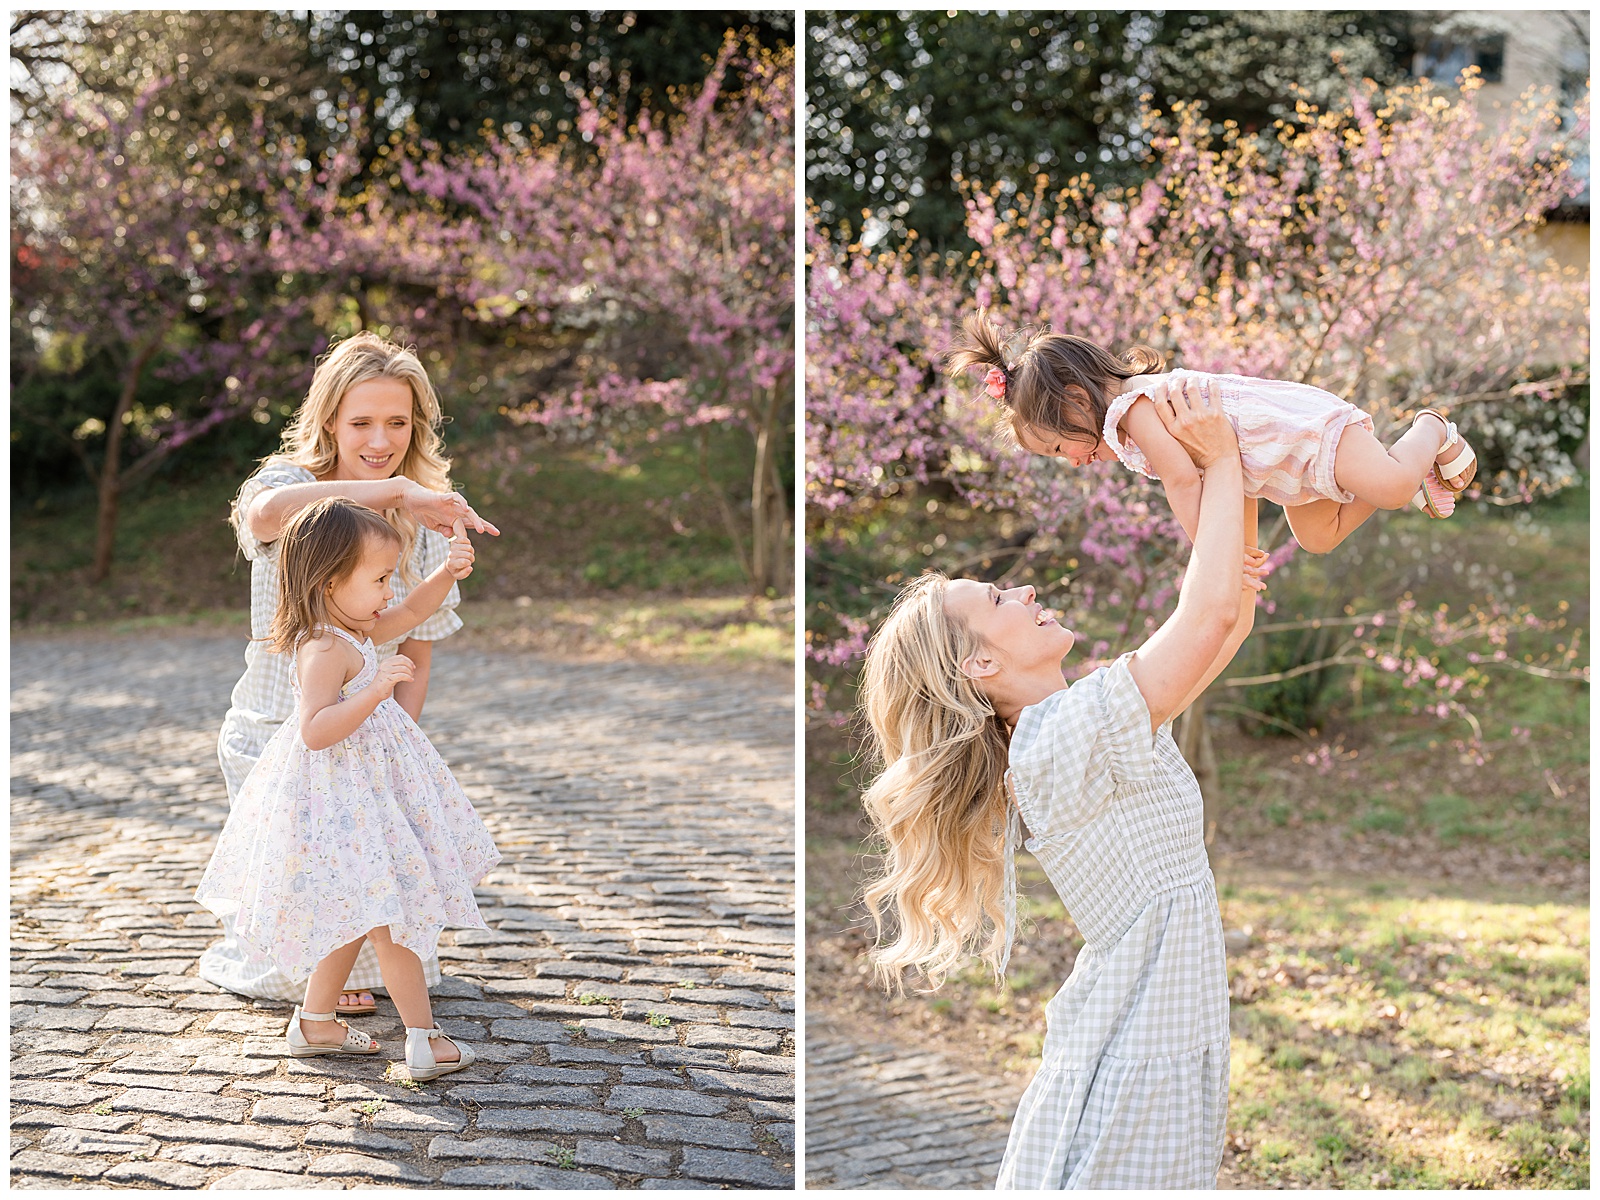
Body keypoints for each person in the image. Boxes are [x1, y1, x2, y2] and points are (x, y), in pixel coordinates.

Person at [857, 381, 1253, 1188]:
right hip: (1139, 1050)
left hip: (1164, 1032)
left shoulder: (1079, 722)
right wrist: (1221, 461)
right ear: (981, 665)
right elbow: (1208, 614)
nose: (1026, 590)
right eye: (999, 597)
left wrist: (1226, 478)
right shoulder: (1053, 742)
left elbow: (1229, 614)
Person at [202, 332, 499, 1015]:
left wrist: (386, 756)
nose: (380, 438)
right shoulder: (287, 483)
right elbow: (264, 518)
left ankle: (348, 990)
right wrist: (389, 487)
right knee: (297, 946)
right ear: (329, 418)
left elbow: (415, 651)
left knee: (392, 928)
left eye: (397, 422)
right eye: (361, 421)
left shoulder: (422, 519)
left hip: (364, 739)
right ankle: (310, 999)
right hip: (276, 732)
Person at [195, 497, 500, 1080]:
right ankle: (422, 1039)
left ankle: (314, 1022)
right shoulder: (322, 647)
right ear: (330, 580)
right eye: (380, 577)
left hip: (367, 796)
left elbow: (411, 613)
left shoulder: (353, 629)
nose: (389, 589)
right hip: (344, 807)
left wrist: (447, 572)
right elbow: (314, 730)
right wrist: (377, 688)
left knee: (359, 912)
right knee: (394, 914)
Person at [948, 310, 1477, 554]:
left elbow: (1184, 481)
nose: (1068, 459)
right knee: (1317, 538)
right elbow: (1223, 480)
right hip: (1278, 470)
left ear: (1078, 402)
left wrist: (1214, 551)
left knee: (1390, 489)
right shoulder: (1134, 425)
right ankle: (1412, 468)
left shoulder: (1134, 408)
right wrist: (1240, 544)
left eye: (1060, 445)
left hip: (1301, 434)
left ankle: (1429, 431)